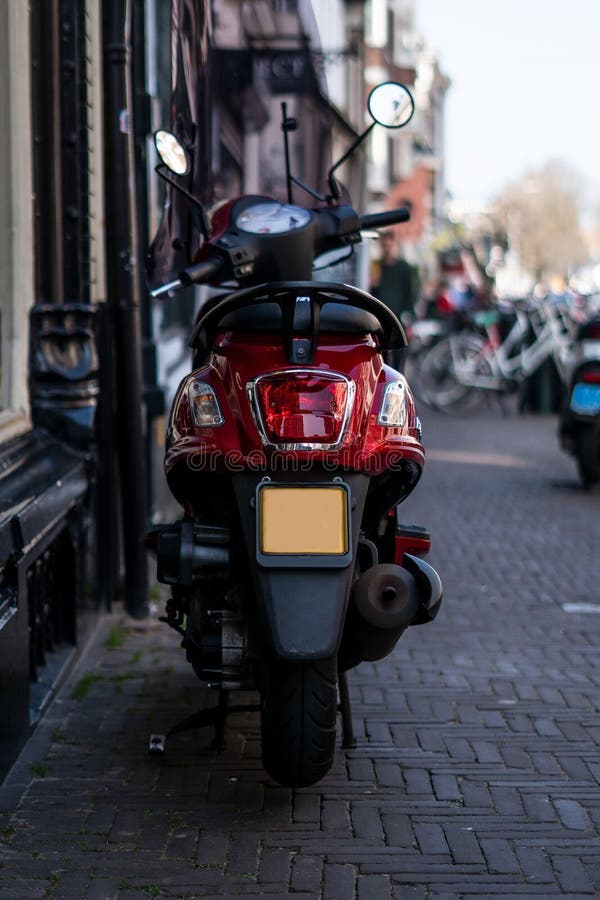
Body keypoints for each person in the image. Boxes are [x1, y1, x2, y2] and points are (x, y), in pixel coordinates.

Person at [370, 230, 421, 371]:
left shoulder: (403, 267)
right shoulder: (376, 267)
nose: (387, 248)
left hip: (398, 318)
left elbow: (409, 295)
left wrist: (410, 322)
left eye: (389, 245)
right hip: (380, 318)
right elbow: (370, 292)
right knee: (381, 357)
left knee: (399, 357)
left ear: (394, 245)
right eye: (384, 245)